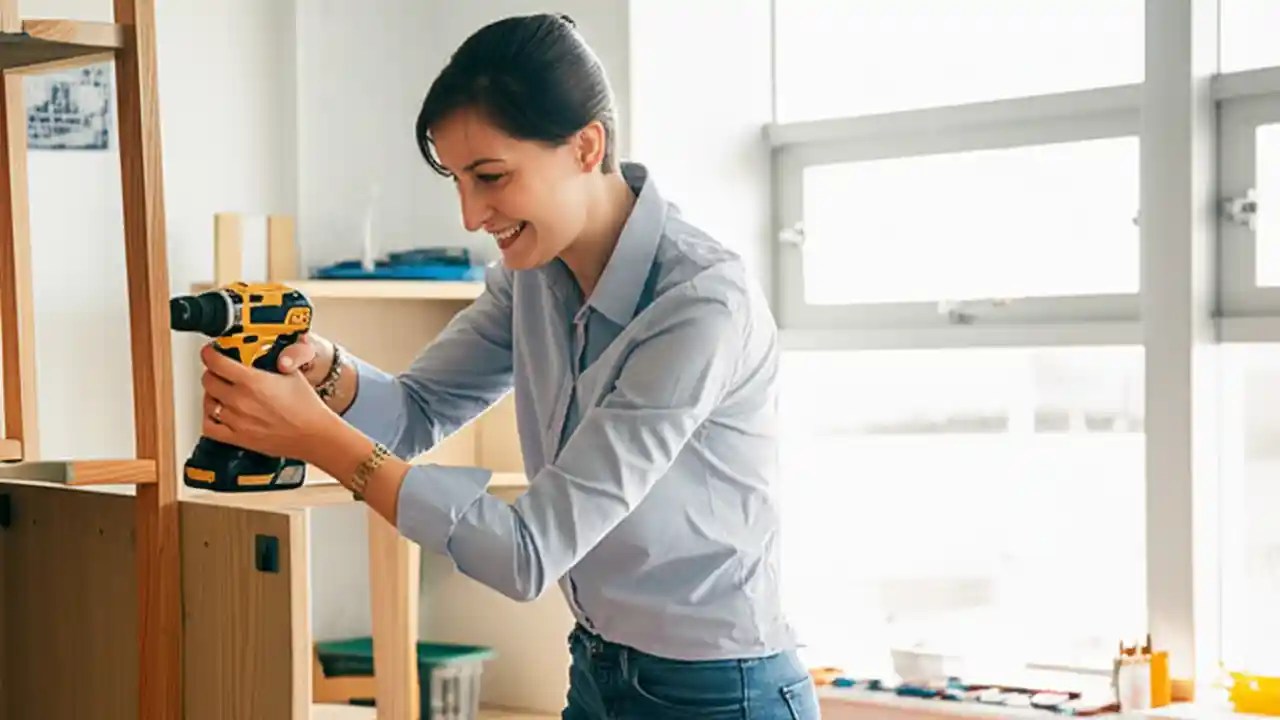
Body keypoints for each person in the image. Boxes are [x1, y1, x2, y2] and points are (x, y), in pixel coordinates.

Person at [197, 12, 819, 720]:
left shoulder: (699, 306)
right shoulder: (534, 273)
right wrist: (329, 375)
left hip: (721, 693)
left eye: (491, 177)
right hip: (597, 669)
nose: (470, 215)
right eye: (459, 181)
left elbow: (528, 554)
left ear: (587, 146)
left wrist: (318, 441)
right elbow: (415, 415)